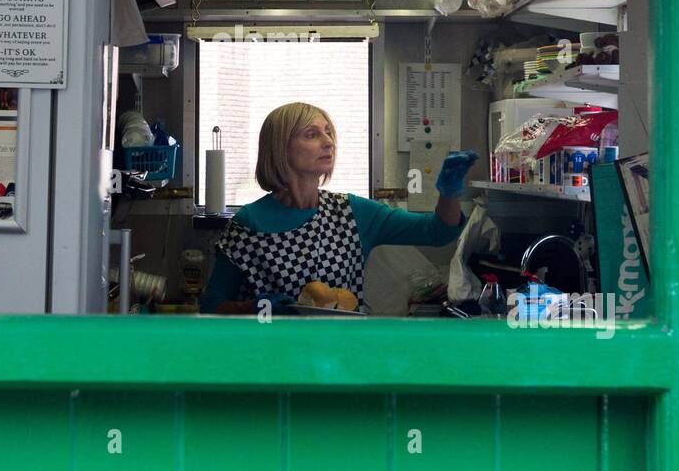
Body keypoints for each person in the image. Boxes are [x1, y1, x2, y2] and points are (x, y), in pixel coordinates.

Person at [200, 101, 477, 315]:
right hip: (272, 359)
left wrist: (449, 191)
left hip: (340, 354)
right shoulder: (248, 223)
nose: (329, 142)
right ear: (280, 148)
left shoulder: (352, 213)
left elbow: (438, 232)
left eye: (329, 132)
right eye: (312, 134)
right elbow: (211, 307)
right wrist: (254, 308)